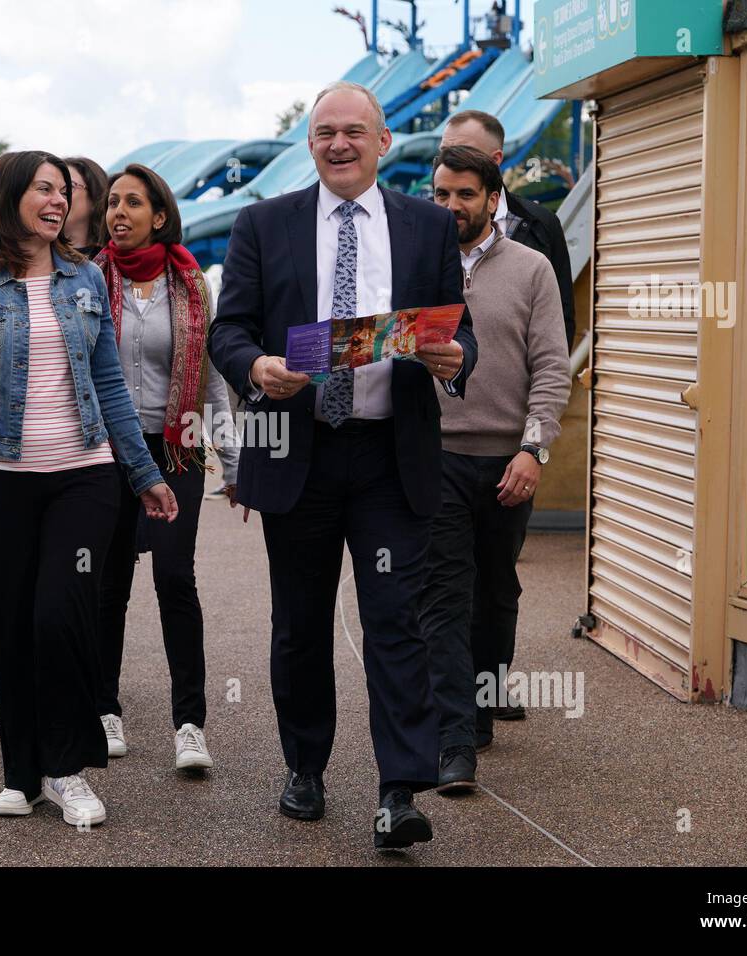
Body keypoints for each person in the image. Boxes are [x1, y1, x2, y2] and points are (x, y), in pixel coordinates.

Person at [207, 81, 477, 850]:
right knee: (299, 623)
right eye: (324, 131)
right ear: (310, 143)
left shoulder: (427, 227)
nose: (339, 144)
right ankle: (305, 768)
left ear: (384, 142)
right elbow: (232, 328)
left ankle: (399, 789)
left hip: (391, 458)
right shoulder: (264, 224)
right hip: (299, 454)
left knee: (397, 622)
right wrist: (256, 366)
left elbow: (460, 333)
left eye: (355, 130)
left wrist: (455, 359)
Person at [0, 151, 178, 827]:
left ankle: (68, 770)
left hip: (82, 478)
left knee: (59, 617)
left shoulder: (85, 278)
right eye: (45, 189)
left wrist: (143, 474)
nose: (61, 201)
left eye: (65, 191)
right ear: (6, 197)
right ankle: (23, 774)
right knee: (11, 626)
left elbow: (111, 383)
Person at [421, 146, 570, 788]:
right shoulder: (414, 266)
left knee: (495, 587)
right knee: (445, 594)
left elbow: (552, 367)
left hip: (510, 460)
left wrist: (534, 451)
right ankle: (455, 741)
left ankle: (482, 703)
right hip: (436, 458)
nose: (451, 206)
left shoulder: (532, 269)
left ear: (491, 199)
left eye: (464, 195)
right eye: (441, 194)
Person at [93, 163, 240, 772]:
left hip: (174, 448)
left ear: (159, 215)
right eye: (111, 204)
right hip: (102, 454)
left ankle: (190, 724)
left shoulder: (192, 287)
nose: (117, 213)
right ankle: (103, 711)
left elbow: (211, 380)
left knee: (176, 579)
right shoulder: (86, 279)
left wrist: (232, 463)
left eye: (132, 203)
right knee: (108, 585)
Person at [441, 110, 575, 350]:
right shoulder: (422, 225)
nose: (451, 162)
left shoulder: (540, 224)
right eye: (444, 153)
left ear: (496, 159)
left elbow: (560, 323)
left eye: (463, 152)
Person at [64, 156, 109, 258]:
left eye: (69, 187)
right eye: (49, 189)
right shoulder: (35, 257)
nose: (58, 197)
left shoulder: (117, 260)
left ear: (95, 196)